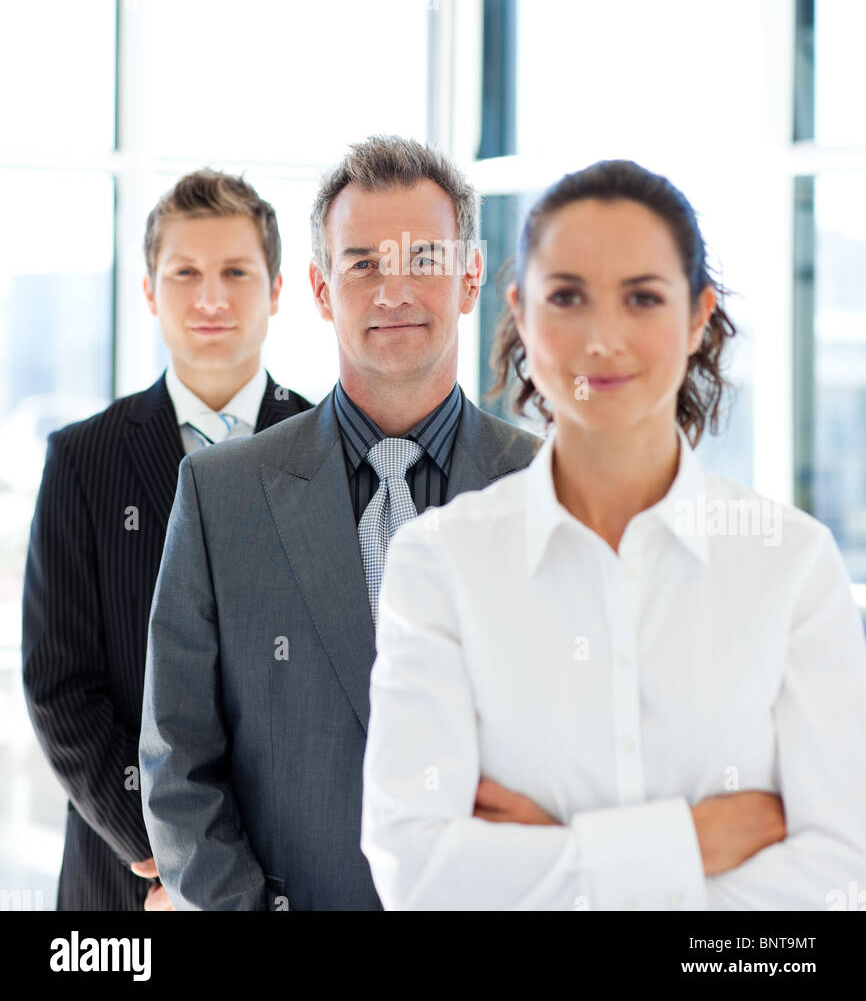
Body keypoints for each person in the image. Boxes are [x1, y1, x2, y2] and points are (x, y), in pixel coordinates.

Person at [361, 158, 866, 910]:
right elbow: (418, 875)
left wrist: (557, 856)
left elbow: (837, 884)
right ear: (522, 316)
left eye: (642, 298)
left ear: (699, 316)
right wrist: (691, 846)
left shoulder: (790, 567)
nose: (603, 338)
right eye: (567, 297)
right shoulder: (442, 564)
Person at [138, 135, 540, 911]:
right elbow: (177, 763)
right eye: (363, 264)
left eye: (424, 259)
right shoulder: (222, 495)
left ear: (470, 277)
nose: (394, 292)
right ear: (322, 290)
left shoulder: (547, 492)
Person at [22, 169, 311, 911]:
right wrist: (166, 856)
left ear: (277, 290)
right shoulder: (83, 460)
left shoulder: (331, 452)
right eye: (184, 273)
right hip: (125, 876)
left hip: (291, 869)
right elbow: (60, 681)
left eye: (236, 273)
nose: (210, 297)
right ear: (150, 291)